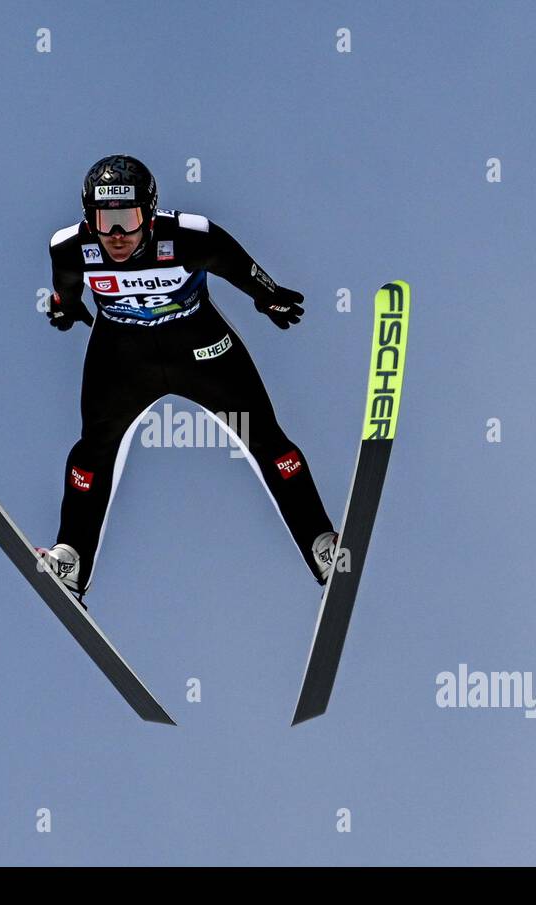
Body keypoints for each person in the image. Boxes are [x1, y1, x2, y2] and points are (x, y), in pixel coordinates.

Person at [37, 154, 337, 598]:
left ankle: (321, 545)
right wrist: (63, 306)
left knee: (267, 439)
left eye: (129, 218)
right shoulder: (68, 246)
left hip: (203, 353)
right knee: (93, 451)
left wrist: (268, 297)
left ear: (151, 213)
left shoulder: (191, 237)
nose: (117, 235)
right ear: (89, 218)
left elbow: (242, 269)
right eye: (106, 220)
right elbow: (65, 283)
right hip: (121, 362)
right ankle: (72, 558)